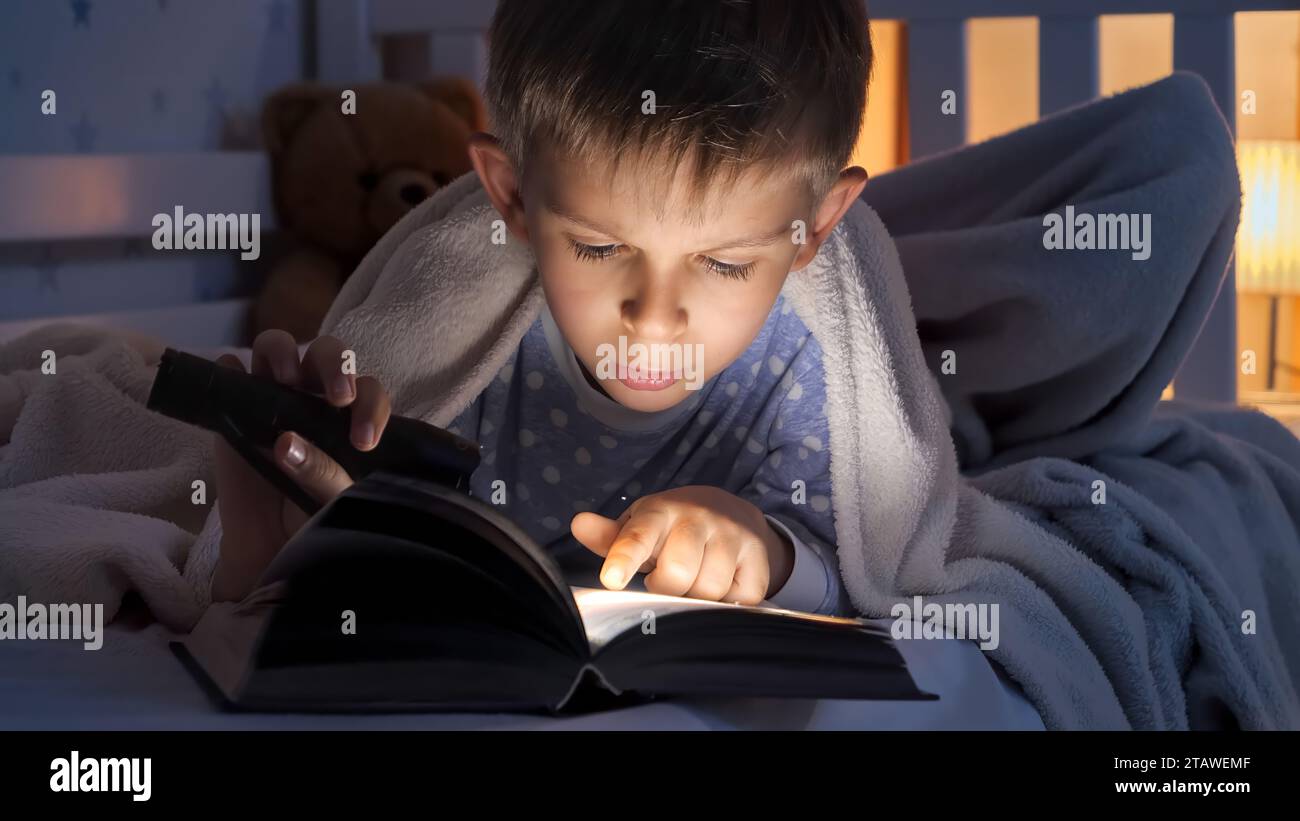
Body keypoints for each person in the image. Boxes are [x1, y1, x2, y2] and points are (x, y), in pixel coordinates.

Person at [212, 0, 871, 616]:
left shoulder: (805, 365)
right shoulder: (467, 337)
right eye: (597, 245)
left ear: (817, 225)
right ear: (511, 196)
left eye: (726, 263)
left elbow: (864, 566)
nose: (652, 319)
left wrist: (765, 550)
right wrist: (273, 540)